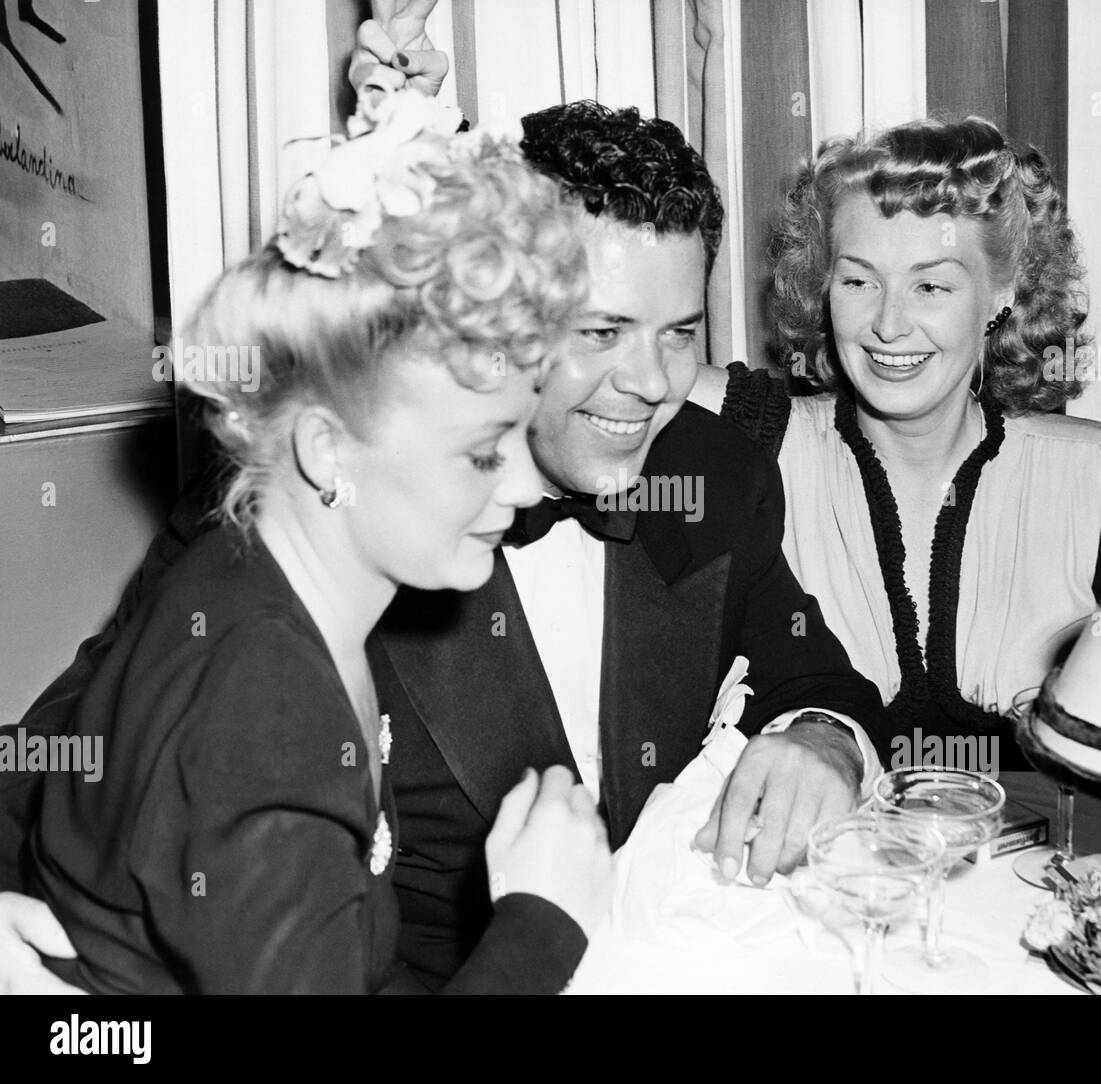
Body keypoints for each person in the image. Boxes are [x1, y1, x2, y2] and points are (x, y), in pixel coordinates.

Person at [2, 101, 886, 994]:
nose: (652, 383)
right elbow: (62, 766)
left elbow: (816, 676)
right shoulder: (282, 542)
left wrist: (824, 739)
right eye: (601, 332)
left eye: (680, 333)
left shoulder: (714, 477)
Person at [21, 91, 612, 993]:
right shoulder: (267, 714)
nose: (527, 487)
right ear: (327, 449)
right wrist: (540, 923)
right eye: (483, 453)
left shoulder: (247, 567)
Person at [691, 116, 1101, 768]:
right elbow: (624, 364)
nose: (889, 324)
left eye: (930, 285)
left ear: (1001, 293)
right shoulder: (758, 440)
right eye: (858, 281)